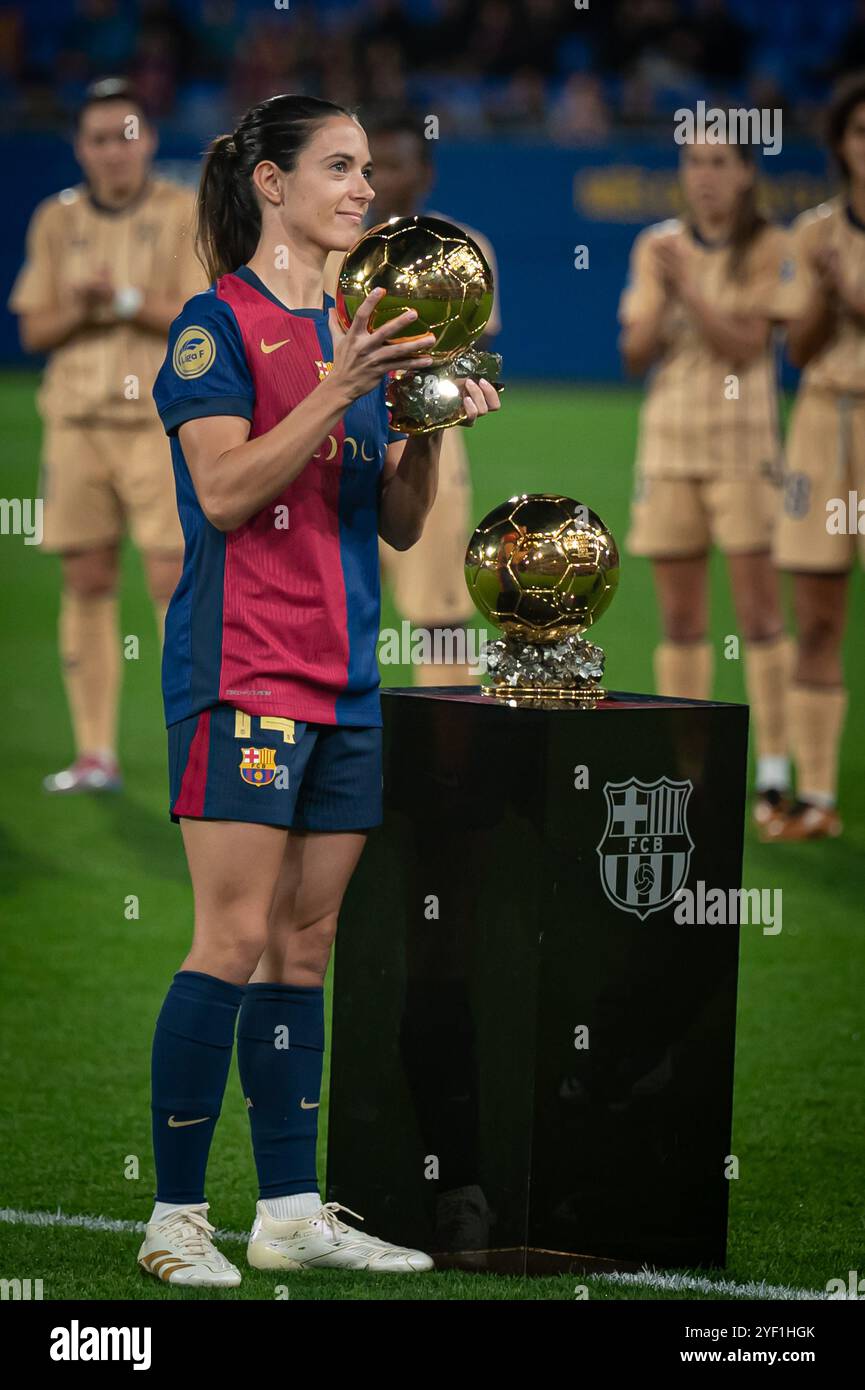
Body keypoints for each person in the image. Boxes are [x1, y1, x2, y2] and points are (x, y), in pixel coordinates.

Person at [138, 93, 501, 1287]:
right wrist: (342, 389)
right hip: (241, 672)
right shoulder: (216, 325)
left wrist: (429, 418)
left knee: (305, 944)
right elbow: (231, 491)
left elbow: (396, 527)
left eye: (365, 171)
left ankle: (288, 1208)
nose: (363, 189)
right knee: (231, 937)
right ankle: (175, 1216)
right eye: (338, 168)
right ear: (271, 185)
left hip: (347, 676)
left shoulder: (359, 329)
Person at [9, 76, 202, 794]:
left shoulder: (185, 211)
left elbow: (193, 315)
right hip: (77, 423)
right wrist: (94, 310)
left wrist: (116, 299)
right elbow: (35, 327)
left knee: (169, 577)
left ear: (148, 140)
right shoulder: (54, 220)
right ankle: (95, 754)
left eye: (127, 135)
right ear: (79, 148)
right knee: (85, 575)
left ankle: (190, 742)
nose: (114, 152)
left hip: (159, 422)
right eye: (98, 139)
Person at [619, 129, 801, 835]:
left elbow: (748, 345)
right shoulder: (653, 246)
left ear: (747, 172)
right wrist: (661, 301)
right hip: (666, 447)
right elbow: (633, 353)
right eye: (693, 162)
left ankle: (775, 773)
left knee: (758, 615)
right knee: (680, 620)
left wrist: (687, 287)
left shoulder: (771, 248)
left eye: (720, 162)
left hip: (743, 450)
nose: (703, 176)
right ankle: (685, 770)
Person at [324, 109, 502, 686]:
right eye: (371, 168)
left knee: (441, 614)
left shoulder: (462, 248)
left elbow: (473, 351)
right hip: (342, 439)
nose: (378, 182)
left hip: (428, 443)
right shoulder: (335, 247)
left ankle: (443, 758)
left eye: (394, 166)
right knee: (333, 608)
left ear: (424, 174)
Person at [770, 73, 865, 840]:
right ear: (839, 144)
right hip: (823, 422)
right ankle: (816, 798)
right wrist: (827, 298)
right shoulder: (813, 233)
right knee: (818, 620)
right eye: (860, 132)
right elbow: (797, 352)